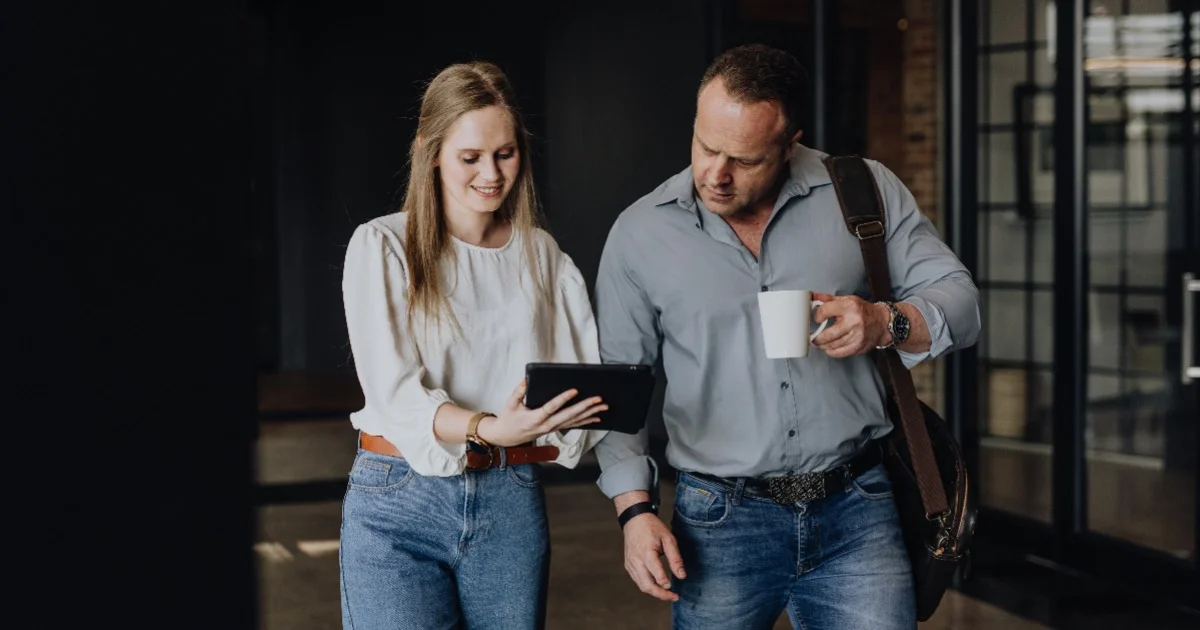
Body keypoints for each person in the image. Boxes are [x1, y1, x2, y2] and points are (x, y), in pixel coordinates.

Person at [592, 43, 981, 629]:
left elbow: (962, 303)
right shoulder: (640, 234)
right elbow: (618, 393)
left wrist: (885, 322)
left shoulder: (861, 193)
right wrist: (633, 512)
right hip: (719, 521)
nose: (715, 175)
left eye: (744, 160)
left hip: (859, 509)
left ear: (790, 142)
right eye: (705, 146)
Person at [338, 60, 609, 630]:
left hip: (510, 494)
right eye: (470, 157)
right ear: (431, 153)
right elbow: (394, 395)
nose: (491, 173)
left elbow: (577, 389)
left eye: (506, 154)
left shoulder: (543, 256)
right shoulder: (383, 246)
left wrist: (560, 419)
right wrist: (489, 427)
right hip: (397, 497)